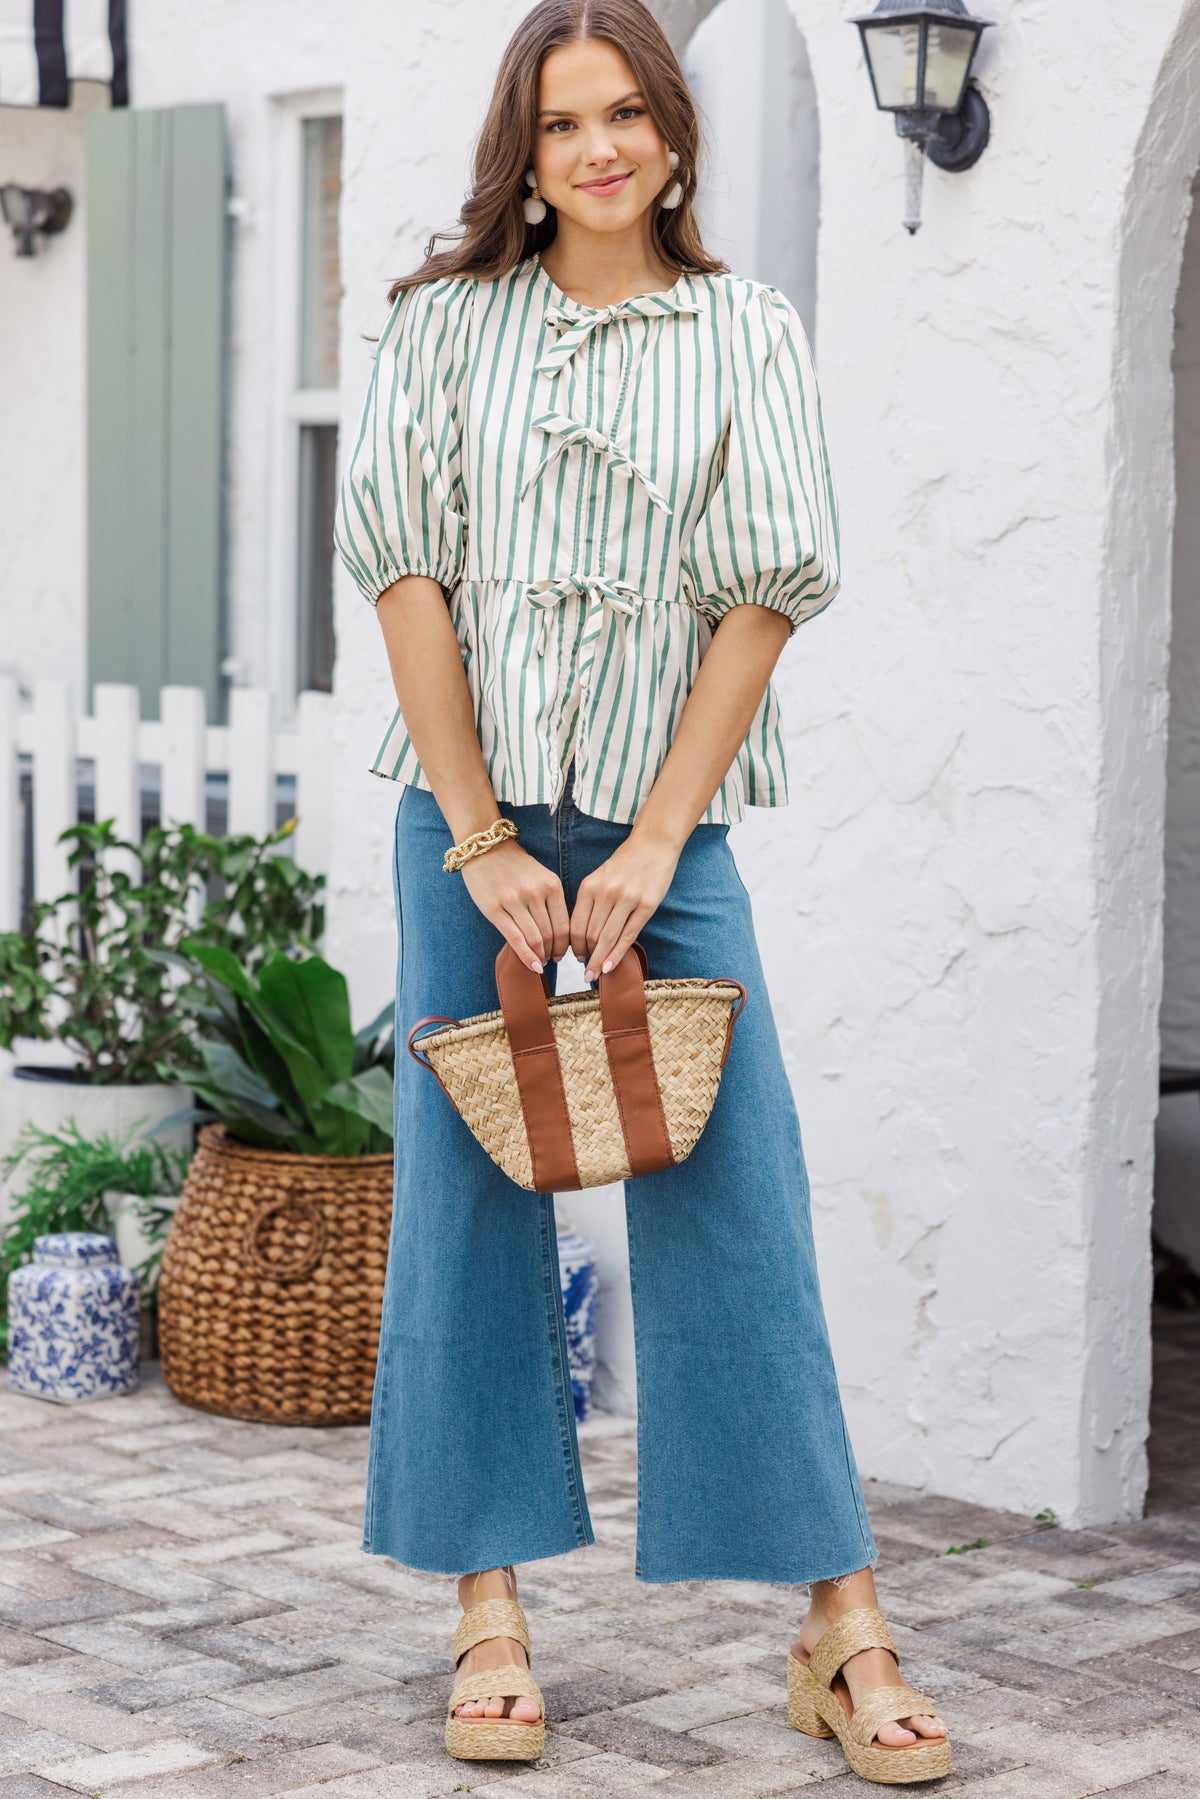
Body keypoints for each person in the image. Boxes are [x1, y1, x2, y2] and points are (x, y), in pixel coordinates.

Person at [334, 0, 951, 1783]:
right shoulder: (443, 330)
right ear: (521, 160)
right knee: (465, 1204)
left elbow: (763, 593)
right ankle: (488, 1607)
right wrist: (482, 839)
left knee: (738, 1188)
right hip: (474, 830)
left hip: (664, 828)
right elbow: (406, 579)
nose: (594, 148)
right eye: (557, 124)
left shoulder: (748, 331)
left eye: (622, 114)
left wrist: (659, 841)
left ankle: (838, 1626)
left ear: (673, 134)